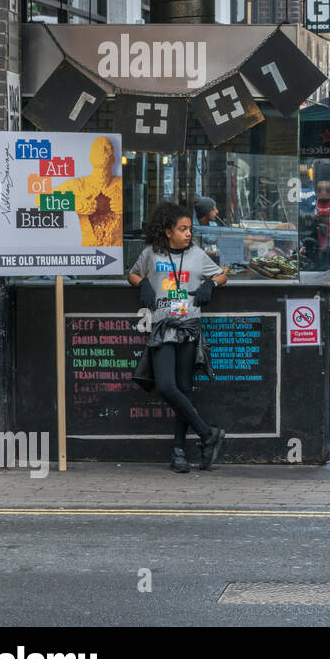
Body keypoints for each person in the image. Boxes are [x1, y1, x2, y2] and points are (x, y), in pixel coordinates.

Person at [128, 202, 228, 473]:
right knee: (166, 386)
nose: (188, 234)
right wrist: (143, 283)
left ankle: (179, 452)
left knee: (183, 389)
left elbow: (222, 275)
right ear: (167, 231)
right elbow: (133, 273)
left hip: (189, 327)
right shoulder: (151, 253)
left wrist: (210, 283)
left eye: (190, 229)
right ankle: (207, 434)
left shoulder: (196, 254)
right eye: (182, 229)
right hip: (163, 328)